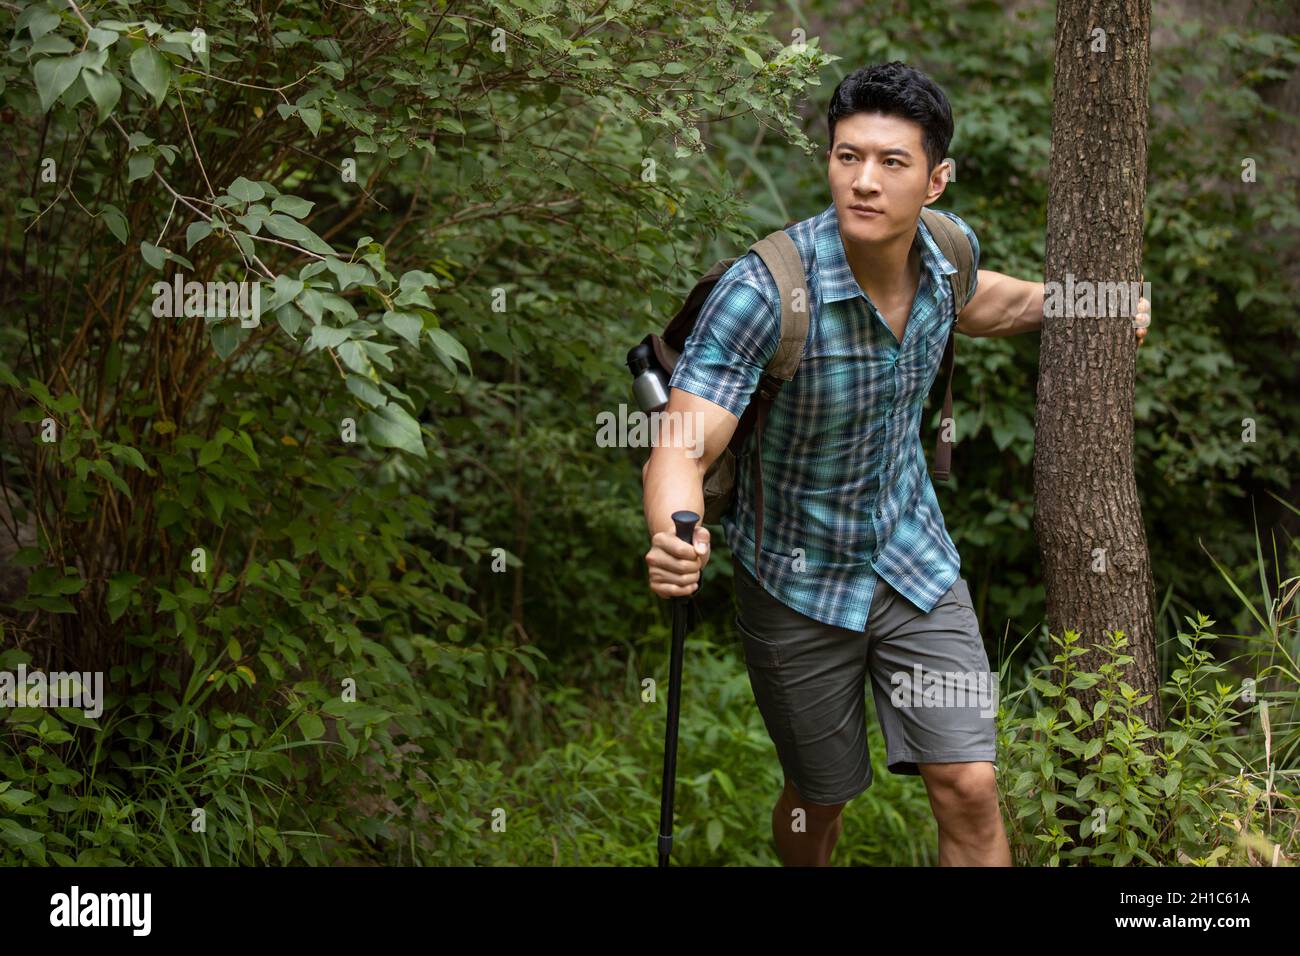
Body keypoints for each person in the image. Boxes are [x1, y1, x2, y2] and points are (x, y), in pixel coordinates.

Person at [641, 61, 1152, 866]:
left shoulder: (947, 253)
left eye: (891, 162)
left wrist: (1093, 300)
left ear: (936, 179)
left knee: (970, 786)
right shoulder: (766, 292)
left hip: (912, 561)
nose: (864, 182)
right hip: (794, 582)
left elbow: (987, 302)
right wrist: (676, 530)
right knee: (821, 801)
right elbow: (683, 441)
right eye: (848, 158)